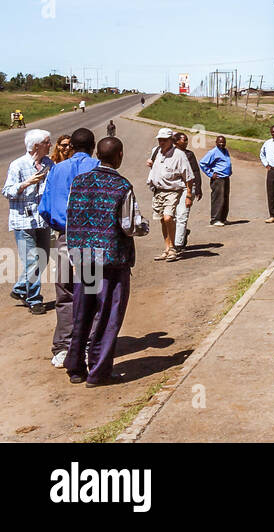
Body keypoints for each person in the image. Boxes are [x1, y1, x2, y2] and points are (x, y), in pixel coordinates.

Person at [64, 136, 145, 387]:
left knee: (82, 313)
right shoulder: (122, 186)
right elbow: (130, 225)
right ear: (119, 155)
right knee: (108, 316)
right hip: (112, 262)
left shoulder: (79, 181)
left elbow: (71, 218)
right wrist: (144, 227)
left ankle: (75, 367)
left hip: (85, 258)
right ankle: (98, 371)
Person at [36, 127, 99, 367]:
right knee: (92, 291)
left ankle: (63, 347)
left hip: (65, 236)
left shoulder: (57, 170)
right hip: (92, 240)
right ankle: (88, 345)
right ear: (92, 146)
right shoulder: (98, 168)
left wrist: (60, 225)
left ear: (71, 146)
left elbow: (45, 208)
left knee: (65, 294)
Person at [4, 129, 54, 313]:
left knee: (43, 259)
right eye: (47, 142)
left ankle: (19, 288)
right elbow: (7, 191)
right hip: (23, 221)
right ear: (36, 146)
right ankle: (34, 300)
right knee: (33, 260)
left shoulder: (49, 163)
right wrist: (26, 183)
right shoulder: (18, 165)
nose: (50, 144)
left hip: (42, 220)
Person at [145, 128, 193, 262]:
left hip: (173, 191)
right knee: (162, 219)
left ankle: (173, 248)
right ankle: (167, 249)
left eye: (164, 140)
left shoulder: (179, 155)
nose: (161, 142)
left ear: (171, 140)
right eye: (160, 140)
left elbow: (188, 176)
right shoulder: (156, 151)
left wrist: (189, 194)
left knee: (168, 218)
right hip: (158, 191)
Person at [172, 132, 202, 250]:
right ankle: (182, 234)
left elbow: (195, 171)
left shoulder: (189, 155)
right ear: (176, 141)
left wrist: (198, 188)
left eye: (186, 140)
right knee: (171, 217)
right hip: (173, 188)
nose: (186, 142)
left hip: (188, 188)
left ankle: (177, 245)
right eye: (184, 140)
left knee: (182, 216)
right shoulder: (170, 154)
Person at [199, 135, 233, 226]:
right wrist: (210, 174)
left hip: (226, 177)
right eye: (220, 142)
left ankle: (223, 218)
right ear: (216, 143)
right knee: (218, 198)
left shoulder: (225, 151)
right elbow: (202, 163)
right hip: (218, 179)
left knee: (225, 198)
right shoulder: (213, 152)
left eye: (223, 142)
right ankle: (215, 219)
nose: (222, 144)